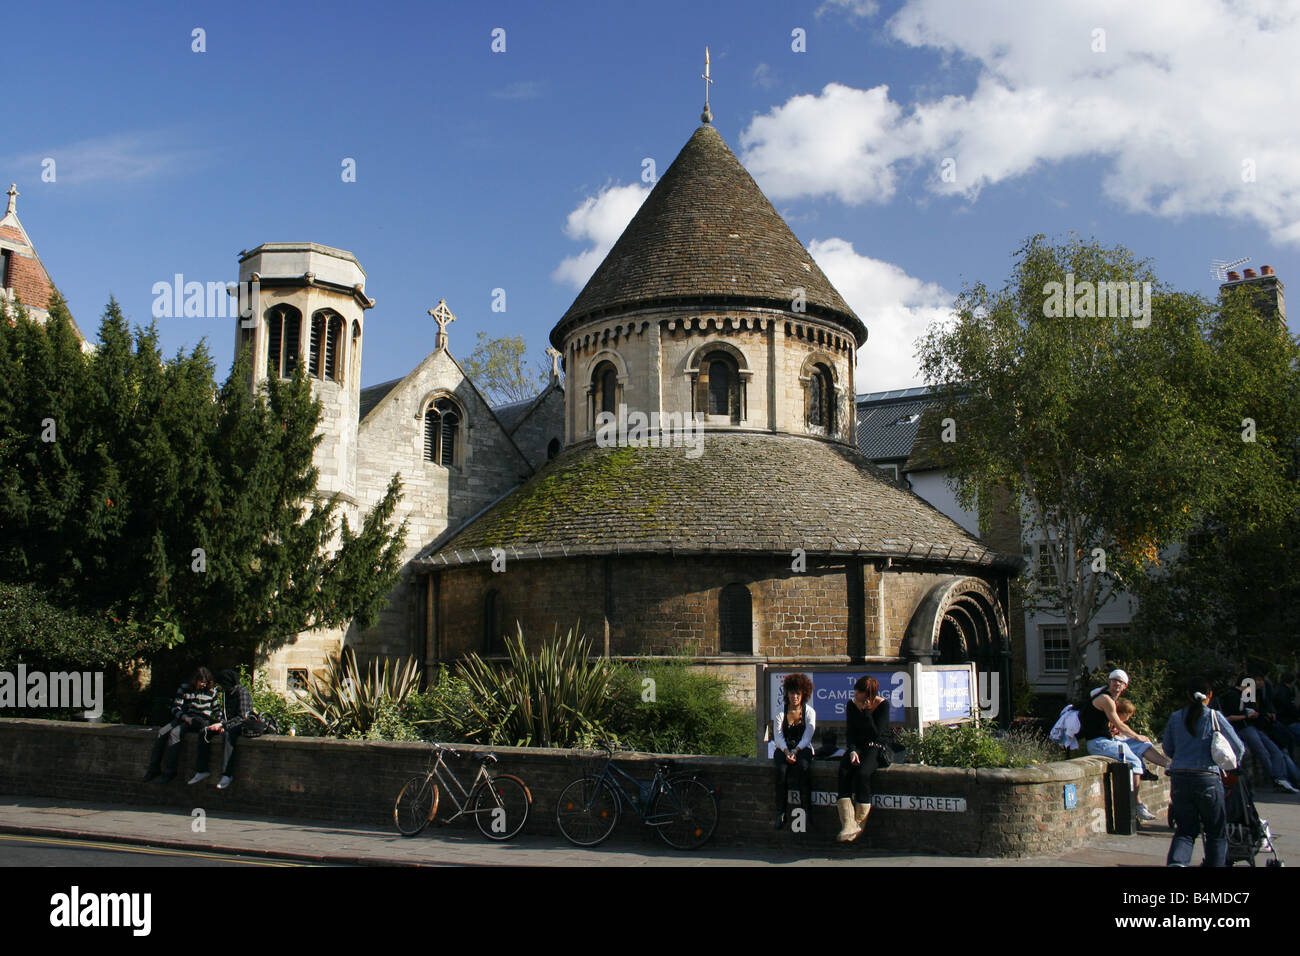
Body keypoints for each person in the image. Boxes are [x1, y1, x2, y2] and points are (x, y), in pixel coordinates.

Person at [1162, 676, 1245, 867]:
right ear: (1210, 695)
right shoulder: (1214, 716)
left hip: (1180, 778)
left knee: (1185, 830)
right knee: (1216, 832)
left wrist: (1183, 755)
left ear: (1187, 695)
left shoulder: (1176, 717)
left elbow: (1167, 748)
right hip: (1208, 778)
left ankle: (1177, 863)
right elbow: (1238, 748)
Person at [1077, 668, 1169, 822]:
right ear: (1109, 682)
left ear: (1125, 686)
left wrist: (1139, 739)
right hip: (1098, 743)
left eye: (1120, 682)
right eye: (1114, 680)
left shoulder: (1113, 700)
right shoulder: (1105, 699)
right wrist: (1137, 735)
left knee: (1142, 745)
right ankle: (1137, 804)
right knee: (1133, 760)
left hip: (1108, 741)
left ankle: (1170, 765)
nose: (1116, 684)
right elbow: (1119, 724)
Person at [1216, 675, 1300, 793]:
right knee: (1263, 751)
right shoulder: (1232, 696)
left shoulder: (1248, 696)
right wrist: (1246, 716)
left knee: (1275, 750)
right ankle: (1276, 778)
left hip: (1252, 726)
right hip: (1242, 727)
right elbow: (1228, 717)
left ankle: (1281, 777)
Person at [836, 675, 890, 842]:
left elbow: (876, 733)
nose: (856, 694)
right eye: (856, 690)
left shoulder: (882, 705)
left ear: (868, 695)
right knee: (844, 771)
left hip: (876, 746)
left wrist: (867, 712)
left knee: (863, 774)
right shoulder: (851, 705)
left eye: (859, 692)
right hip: (858, 746)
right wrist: (852, 750)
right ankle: (847, 823)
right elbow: (850, 731)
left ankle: (859, 824)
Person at [142, 667, 218, 784]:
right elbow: (175, 708)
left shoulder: (212, 692)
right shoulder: (184, 689)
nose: (203, 685)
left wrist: (221, 722)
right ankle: (153, 769)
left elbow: (216, 710)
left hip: (199, 720)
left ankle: (170, 772)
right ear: (195, 680)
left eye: (206, 682)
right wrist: (185, 717)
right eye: (201, 682)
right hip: (184, 717)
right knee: (162, 732)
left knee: (175, 733)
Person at [772, 672, 816, 830]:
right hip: (783, 748)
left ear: (803, 694)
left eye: (798, 693)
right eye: (792, 693)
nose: (794, 697)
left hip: (802, 748)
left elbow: (808, 736)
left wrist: (795, 751)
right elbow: (777, 735)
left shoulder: (809, 712)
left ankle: (806, 811)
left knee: (804, 769)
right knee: (781, 771)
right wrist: (786, 751)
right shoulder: (780, 711)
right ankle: (780, 812)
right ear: (787, 694)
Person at [209, 669, 253, 790]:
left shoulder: (241, 692)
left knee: (229, 736)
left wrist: (224, 726)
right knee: (206, 731)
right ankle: (202, 770)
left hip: (241, 725)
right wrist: (221, 722)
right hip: (229, 724)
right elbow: (224, 713)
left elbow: (243, 716)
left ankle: (227, 774)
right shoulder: (225, 694)